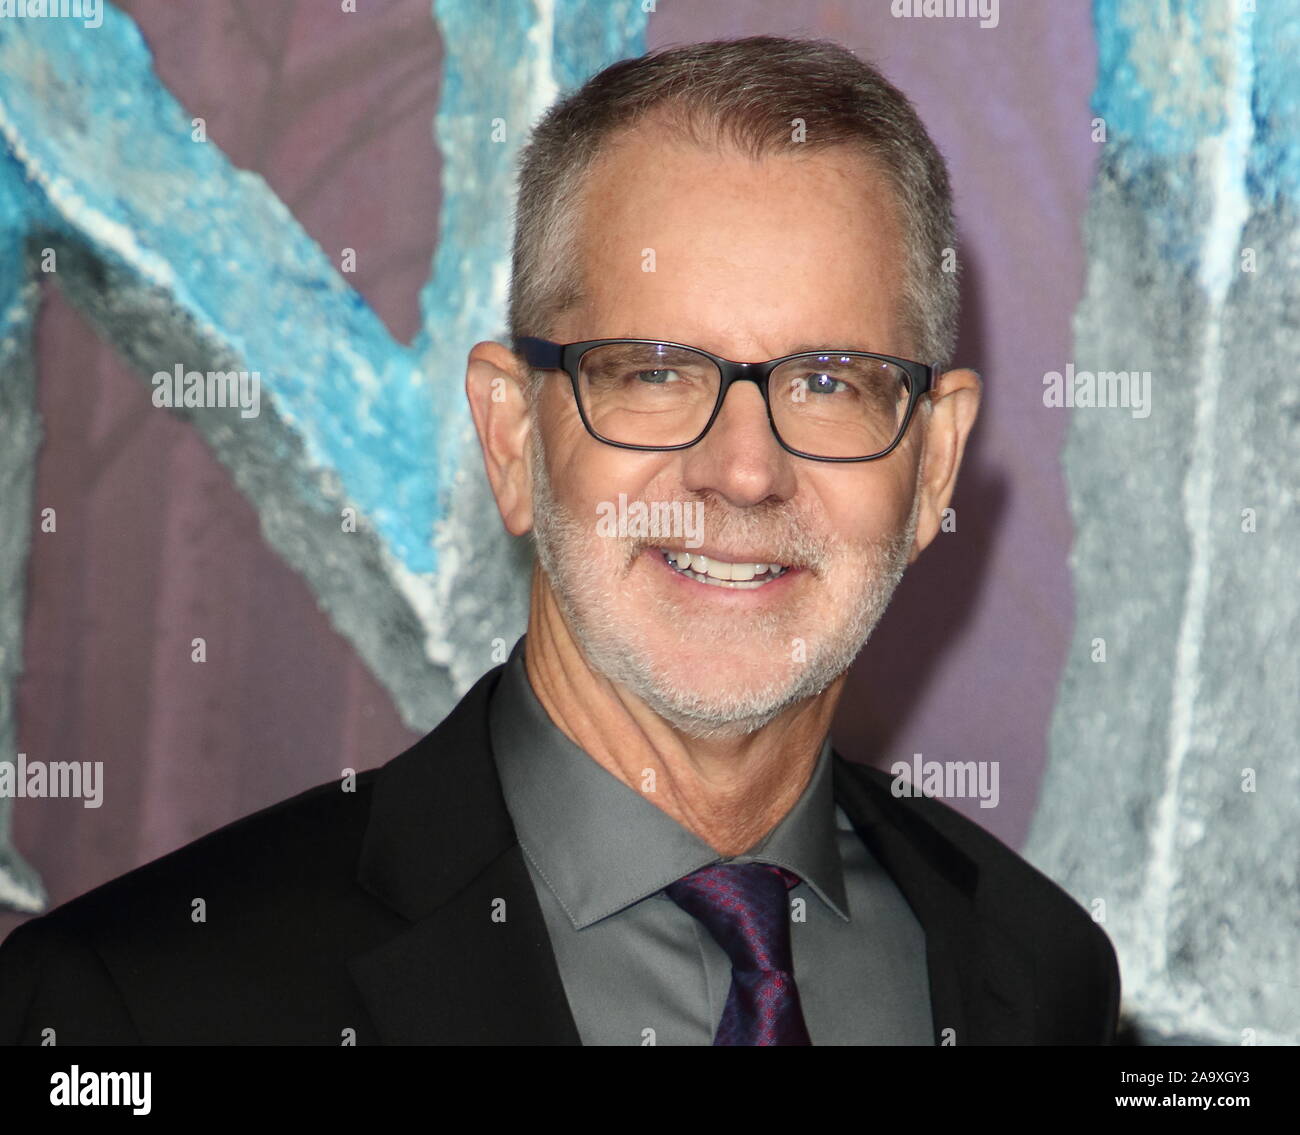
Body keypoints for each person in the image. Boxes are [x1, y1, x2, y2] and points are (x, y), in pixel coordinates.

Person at [0, 34, 1118, 1045]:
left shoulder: (1037, 975)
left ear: (931, 469)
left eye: (828, 381)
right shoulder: (132, 1011)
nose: (741, 470)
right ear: (511, 437)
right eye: (654, 372)